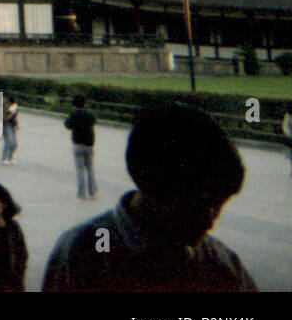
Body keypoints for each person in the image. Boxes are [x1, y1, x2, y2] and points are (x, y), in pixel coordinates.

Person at [43, 103, 257, 292]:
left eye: (217, 207)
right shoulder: (83, 256)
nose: (210, 222)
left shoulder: (222, 265)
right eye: (197, 204)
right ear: (150, 183)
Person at [64, 95, 97, 199]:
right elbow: (94, 121)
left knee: (80, 170)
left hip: (78, 145)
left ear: (74, 105)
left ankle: (82, 194)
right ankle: (93, 193)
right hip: (89, 144)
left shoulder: (73, 115)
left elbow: (67, 125)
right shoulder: (89, 115)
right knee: (90, 169)